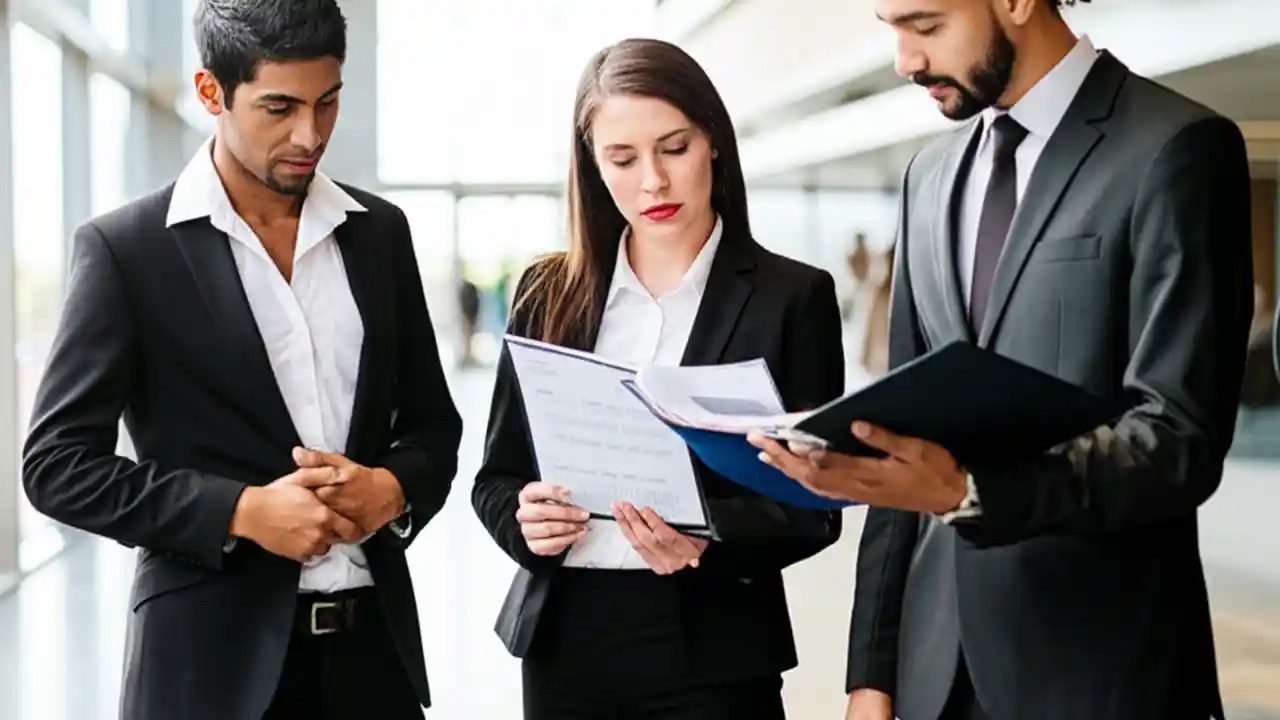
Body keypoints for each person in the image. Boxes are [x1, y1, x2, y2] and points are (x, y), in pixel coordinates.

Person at [749, 1, 1254, 718]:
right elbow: (899, 425)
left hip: (1096, 669)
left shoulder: (1176, 147)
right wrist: (871, 673)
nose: (904, 61)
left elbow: (1178, 438)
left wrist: (967, 491)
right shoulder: (928, 176)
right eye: (890, 29)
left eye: (925, 28)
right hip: (932, 673)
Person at [21, 1, 462, 718]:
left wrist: (392, 490)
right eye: (278, 107)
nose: (309, 134)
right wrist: (242, 511)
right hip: (208, 674)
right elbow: (56, 466)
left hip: (373, 664)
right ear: (210, 93)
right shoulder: (127, 251)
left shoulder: (380, 234)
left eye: (328, 102)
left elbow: (433, 427)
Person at [471, 38, 845, 720]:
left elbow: (818, 507)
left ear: (714, 144)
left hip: (714, 647)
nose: (653, 182)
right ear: (592, 164)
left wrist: (707, 535)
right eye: (623, 158)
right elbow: (495, 479)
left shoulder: (792, 297)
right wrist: (526, 520)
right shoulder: (546, 292)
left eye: (674, 148)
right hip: (566, 646)